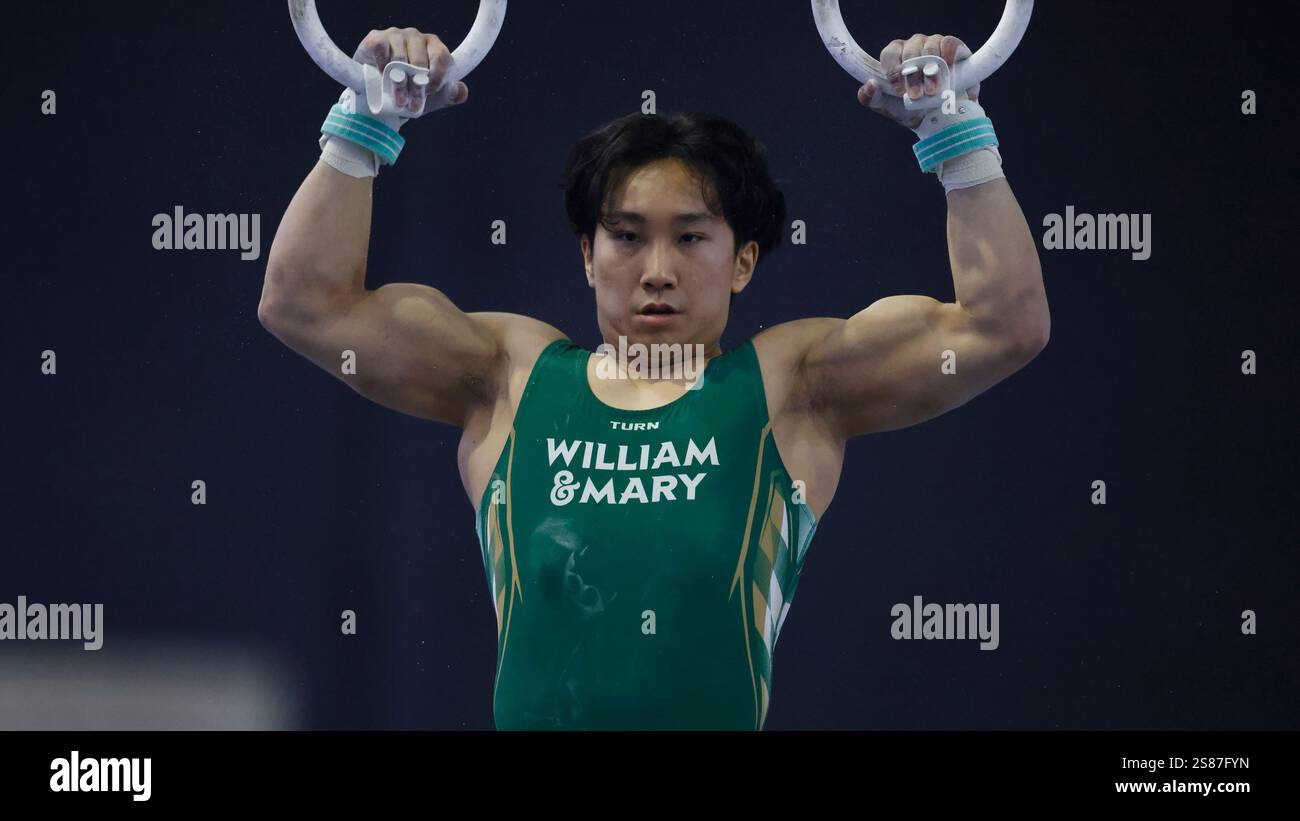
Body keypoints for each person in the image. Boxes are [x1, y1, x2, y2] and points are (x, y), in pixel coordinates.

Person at [259, 27, 1049, 729]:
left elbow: (1002, 326)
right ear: (587, 255)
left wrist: (954, 131)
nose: (657, 272)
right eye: (627, 237)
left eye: (692, 238)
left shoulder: (794, 387)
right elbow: (303, 305)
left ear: (743, 261)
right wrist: (363, 124)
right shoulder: (505, 376)